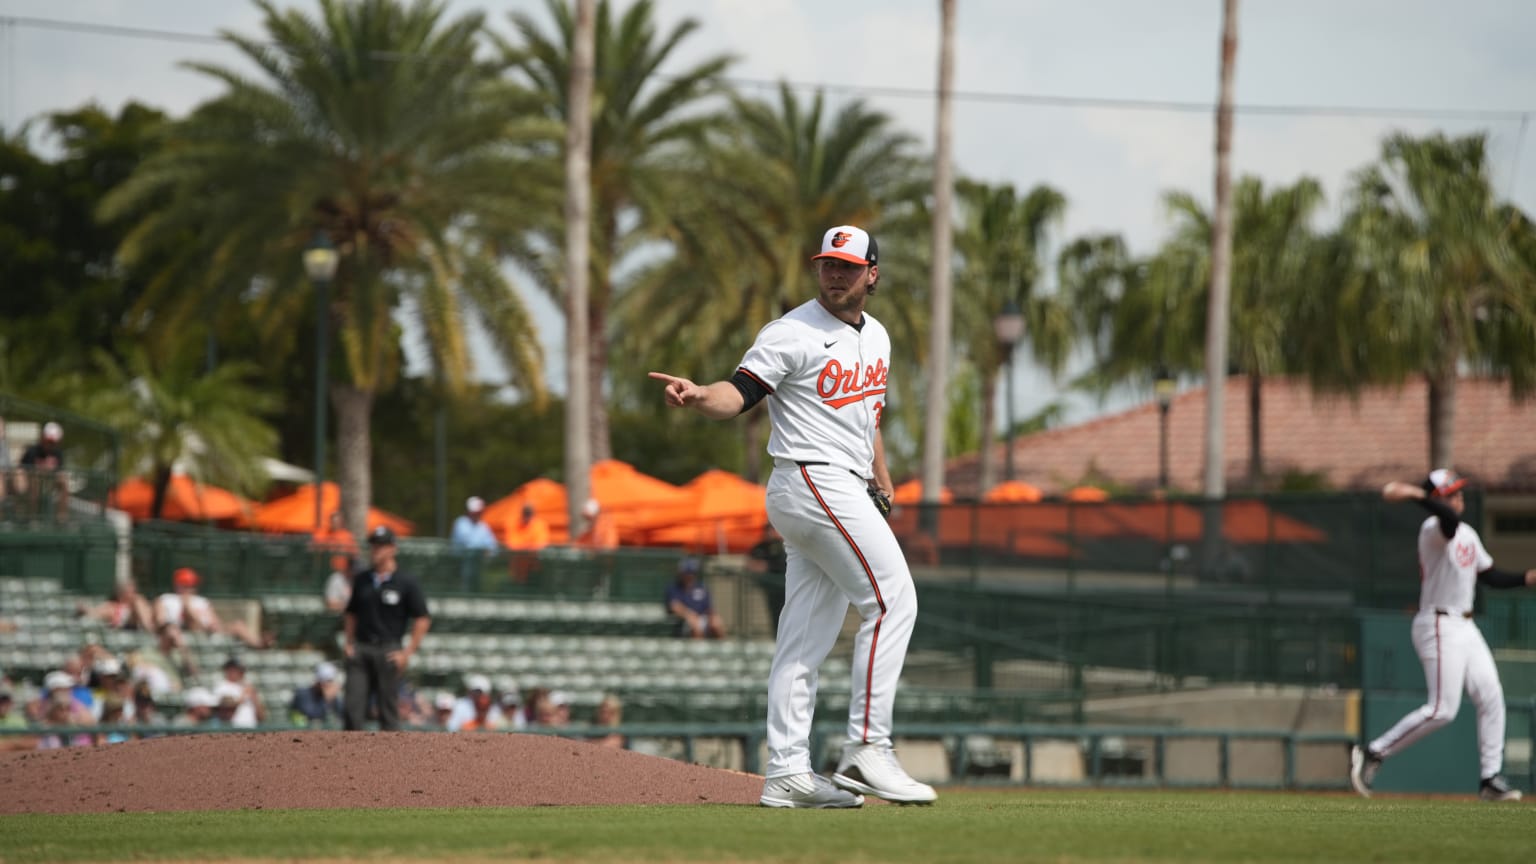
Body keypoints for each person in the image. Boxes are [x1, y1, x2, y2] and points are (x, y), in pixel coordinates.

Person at [649, 224, 931, 809]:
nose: (834, 274)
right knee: (891, 600)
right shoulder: (792, 331)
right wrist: (701, 394)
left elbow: (867, 413)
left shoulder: (876, 337)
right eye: (827, 264)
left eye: (847, 266)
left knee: (804, 640)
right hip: (812, 476)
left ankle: (785, 774)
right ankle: (868, 745)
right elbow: (741, 391)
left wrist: (881, 472)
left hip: (837, 485)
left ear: (871, 274)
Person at [1350, 469, 1536, 802]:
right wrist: (1421, 497)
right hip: (1438, 624)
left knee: (1492, 696)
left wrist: (1528, 577)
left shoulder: (1467, 533)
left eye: (1460, 492)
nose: (1459, 498)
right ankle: (1373, 751)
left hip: (1465, 625)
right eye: (1451, 493)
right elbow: (1446, 519)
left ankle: (1490, 778)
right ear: (1437, 501)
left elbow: (1490, 576)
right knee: (1442, 709)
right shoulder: (1433, 530)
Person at [342, 525, 431, 731]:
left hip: (389, 649)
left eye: (381, 546)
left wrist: (407, 652)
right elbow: (350, 612)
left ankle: (389, 761)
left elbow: (422, 618)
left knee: (388, 709)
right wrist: (348, 642)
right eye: (374, 546)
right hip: (362, 648)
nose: (376, 551)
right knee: (352, 707)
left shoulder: (406, 581)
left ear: (393, 549)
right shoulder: (362, 579)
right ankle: (347, 758)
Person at [154, 567, 271, 650]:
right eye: (188, 585)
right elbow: (161, 622)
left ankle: (259, 644)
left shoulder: (202, 601)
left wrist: (214, 626)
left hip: (207, 631)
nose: (192, 589)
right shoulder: (166, 599)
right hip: (182, 630)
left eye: (193, 586)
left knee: (238, 624)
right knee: (187, 610)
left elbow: (215, 621)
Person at [17, 421, 69, 520]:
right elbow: (22, 470)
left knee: (64, 481)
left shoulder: (58, 454)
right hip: (32, 483)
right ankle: (32, 518)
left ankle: (62, 519)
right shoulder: (32, 451)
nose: (50, 444)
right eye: (48, 441)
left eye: (53, 442)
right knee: (35, 480)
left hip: (49, 483)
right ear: (43, 438)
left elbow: (60, 472)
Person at [665, 556, 726, 640]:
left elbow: (709, 608)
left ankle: (721, 650)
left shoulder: (701, 587)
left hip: (703, 618)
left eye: (692, 573)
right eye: (687, 573)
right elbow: (674, 606)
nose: (690, 576)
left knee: (717, 622)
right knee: (695, 625)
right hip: (683, 622)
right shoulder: (674, 588)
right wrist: (689, 615)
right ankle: (698, 652)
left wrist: (712, 617)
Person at [451, 496, 501, 590]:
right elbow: (466, 544)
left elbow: (493, 546)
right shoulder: (461, 523)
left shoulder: (483, 526)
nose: (478, 514)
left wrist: (488, 552)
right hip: (460, 563)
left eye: (479, 511)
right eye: (476, 511)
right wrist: (483, 550)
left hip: (479, 563)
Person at [746, 523, 789, 633]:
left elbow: (781, 564)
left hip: (784, 587)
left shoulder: (783, 546)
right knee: (775, 614)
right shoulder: (761, 547)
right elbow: (751, 563)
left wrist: (766, 566)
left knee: (786, 614)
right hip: (770, 588)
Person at [313, 511, 358, 613]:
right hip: (327, 571)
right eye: (333, 521)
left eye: (337, 521)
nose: (335, 523)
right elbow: (315, 547)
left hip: (342, 571)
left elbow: (354, 553)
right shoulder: (324, 534)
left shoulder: (346, 536)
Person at [77, 579, 156, 632]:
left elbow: (150, 613)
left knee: (139, 600)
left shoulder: (139, 601)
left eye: (133, 590)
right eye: (128, 590)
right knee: (138, 600)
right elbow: (94, 613)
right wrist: (86, 610)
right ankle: (150, 630)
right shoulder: (111, 606)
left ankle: (151, 630)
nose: (132, 593)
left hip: (141, 626)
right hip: (125, 627)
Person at [505, 503, 551, 584]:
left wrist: (524, 547)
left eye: (529, 513)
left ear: (533, 513)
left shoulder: (540, 525)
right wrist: (529, 547)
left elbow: (541, 545)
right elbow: (512, 545)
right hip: (518, 571)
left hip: (535, 568)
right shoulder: (514, 524)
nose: (527, 515)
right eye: (525, 513)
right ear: (522, 513)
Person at [290, 661, 344, 727]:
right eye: (326, 681)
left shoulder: (332, 696)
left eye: (330, 681)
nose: (328, 685)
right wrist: (327, 699)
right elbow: (312, 715)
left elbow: (342, 713)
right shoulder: (303, 694)